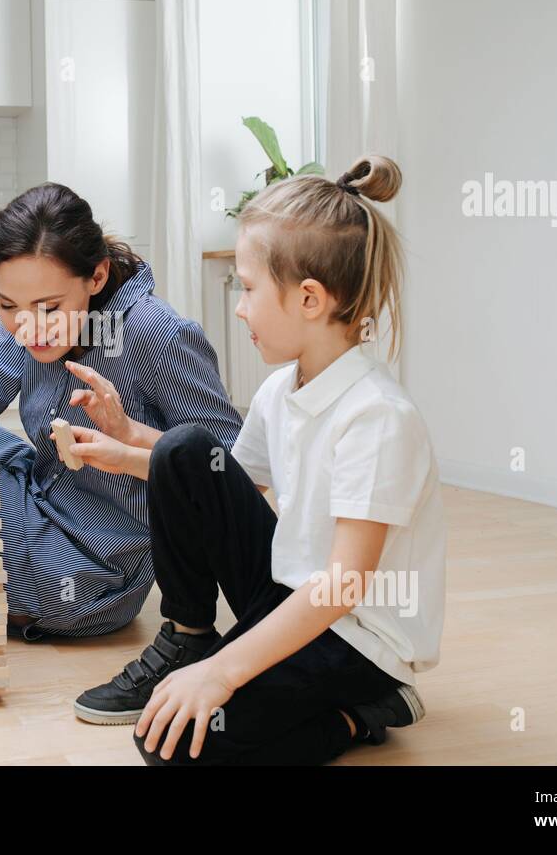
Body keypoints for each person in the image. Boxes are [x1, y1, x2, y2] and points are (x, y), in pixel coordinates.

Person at [72, 156, 446, 764]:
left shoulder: (377, 417)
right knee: (188, 447)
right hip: (289, 596)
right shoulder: (282, 389)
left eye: (247, 289)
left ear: (308, 299)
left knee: (172, 745)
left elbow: (343, 586)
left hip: (359, 639)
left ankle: (363, 714)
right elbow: (221, 484)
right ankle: (190, 638)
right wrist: (127, 439)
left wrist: (224, 675)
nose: (240, 308)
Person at [0, 183, 243, 639]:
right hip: (38, 498)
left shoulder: (155, 333)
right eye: (7, 305)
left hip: (91, 575)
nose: (28, 325)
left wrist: (130, 446)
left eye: (50, 307)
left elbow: (228, 467)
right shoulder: (27, 324)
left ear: (97, 277)